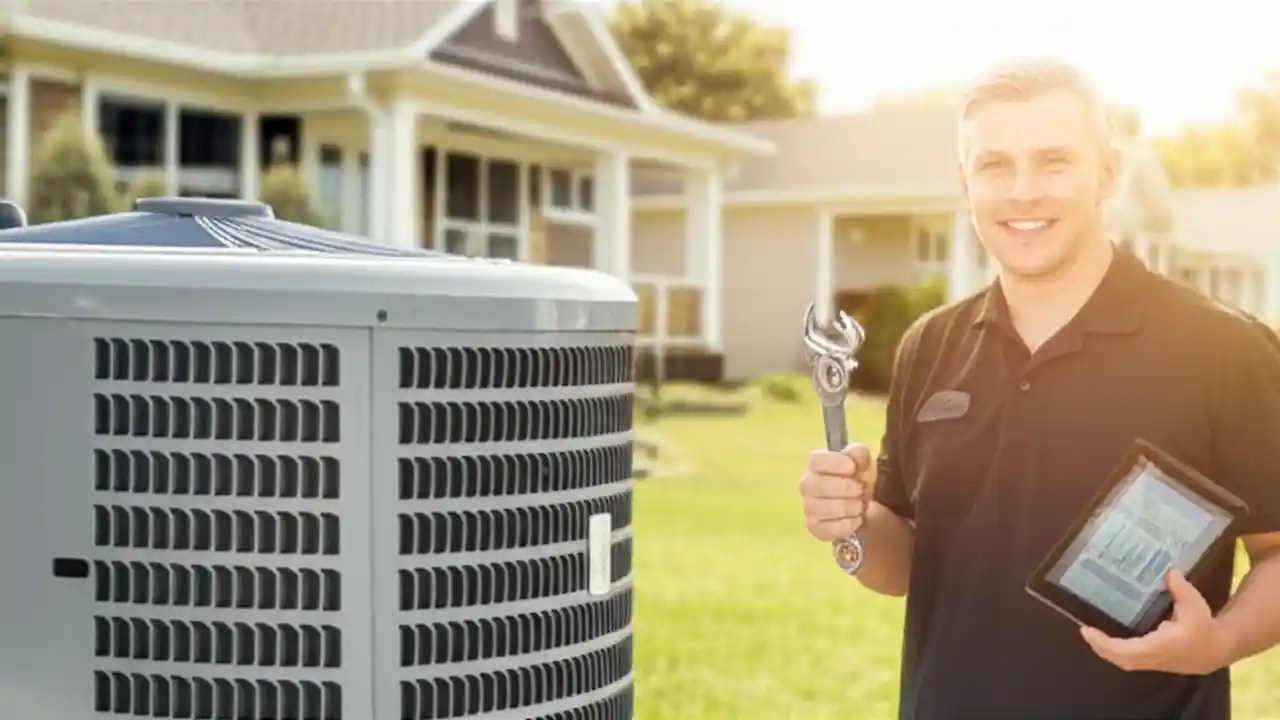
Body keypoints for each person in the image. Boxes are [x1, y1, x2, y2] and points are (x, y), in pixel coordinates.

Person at [798, 57, 1280, 720]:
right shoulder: (929, 348)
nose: (1023, 192)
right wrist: (851, 527)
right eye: (995, 165)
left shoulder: (1224, 350)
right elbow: (907, 565)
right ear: (965, 182)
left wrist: (1219, 640)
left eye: (1053, 161)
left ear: (1107, 173)